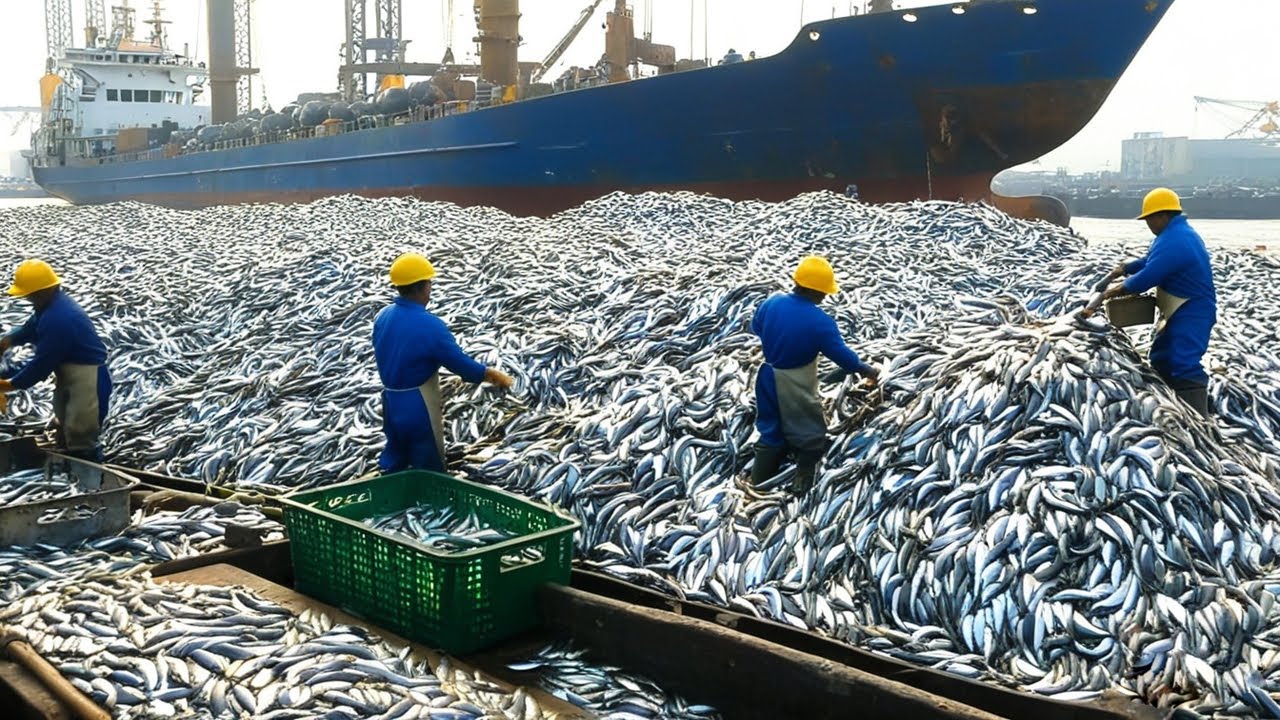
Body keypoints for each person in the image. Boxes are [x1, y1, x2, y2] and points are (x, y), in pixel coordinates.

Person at [373, 253, 514, 473]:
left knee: (394, 457)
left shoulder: (383, 316)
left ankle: (386, 498)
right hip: (417, 405)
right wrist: (488, 374)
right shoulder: (430, 325)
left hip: (390, 401)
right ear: (421, 287)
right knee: (429, 466)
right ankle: (426, 505)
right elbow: (459, 364)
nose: (431, 288)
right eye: (429, 283)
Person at [751, 256, 879, 492]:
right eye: (824, 292)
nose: (825, 297)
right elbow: (841, 356)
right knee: (808, 426)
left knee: (769, 423)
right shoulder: (820, 321)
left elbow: (756, 327)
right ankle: (803, 477)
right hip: (794, 381)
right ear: (816, 291)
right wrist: (867, 370)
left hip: (767, 373)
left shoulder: (772, 302)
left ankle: (758, 480)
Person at [1098, 188, 1216, 416]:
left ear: (1162, 215)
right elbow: (1151, 260)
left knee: (1184, 362)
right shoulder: (1174, 235)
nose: (1148, 224)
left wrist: (1113, 292)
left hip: (1192, 312)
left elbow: (1149, 276)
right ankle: (1174, 408)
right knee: (1161, 358)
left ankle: (1199, 419)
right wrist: (1125, 268)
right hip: (1178, 310)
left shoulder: (1177, 240)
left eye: (1149, 219)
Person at [0, 260, 112, 460]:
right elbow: (32, 326)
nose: (27, 298)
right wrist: (7, 341)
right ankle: (68, 454)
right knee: (63, 413)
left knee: (82, 430)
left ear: (42, 292)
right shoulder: (51, 305)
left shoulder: (59, 318)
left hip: (87, 378)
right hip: (70, 372)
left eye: (30, 295)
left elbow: (42, 365)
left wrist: (10, 385)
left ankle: (90, 470)